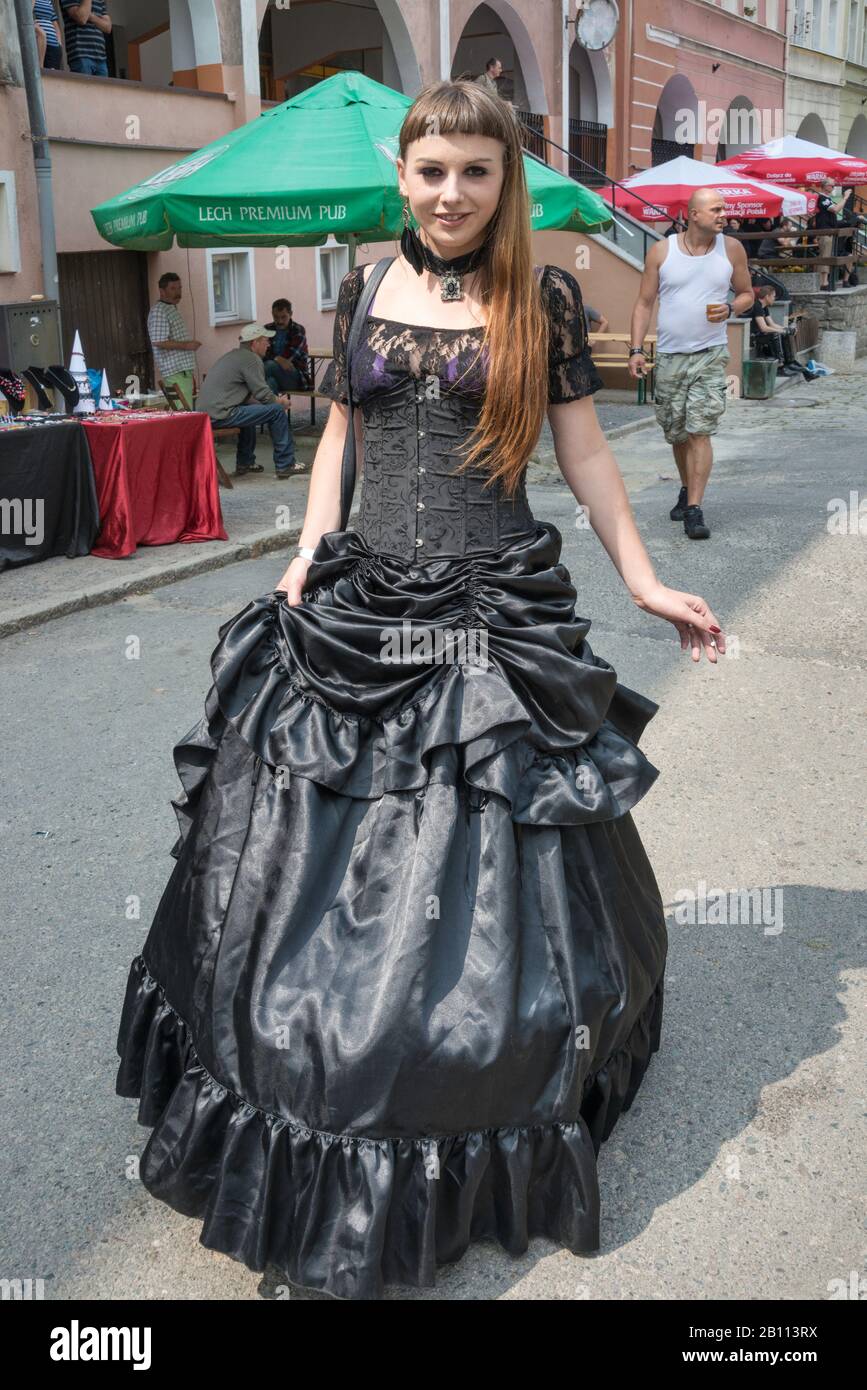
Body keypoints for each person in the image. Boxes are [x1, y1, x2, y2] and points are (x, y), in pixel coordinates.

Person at [115, 79, 724, 1303]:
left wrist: (648, 579)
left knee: (478, 876)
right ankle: (304, 1088)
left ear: (505, 184)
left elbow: (587, 452)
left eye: (475, 174)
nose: (450, 193)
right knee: (300, 857)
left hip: (489, 613)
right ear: (404, 175)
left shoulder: (540, 296)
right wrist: (300, 551)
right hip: (356, 603)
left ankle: (457, 1094)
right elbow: (339, 434)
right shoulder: (361, 286)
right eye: (431, 170)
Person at [629, 186, 755, 539]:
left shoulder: (731, 249)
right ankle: (687, 490)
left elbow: (748, 294)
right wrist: (636, 349)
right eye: (715, 209)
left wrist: (732, 307)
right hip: (670, 356)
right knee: (677, 432)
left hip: (710, 354)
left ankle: (695, 509)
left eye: (724, 209)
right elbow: (643, 303)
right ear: (693, 214)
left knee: (700, 430)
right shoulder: (661, 251)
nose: (723, 214)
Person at [194, 323, 297, 478]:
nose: (268, 344)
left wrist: (268, 402)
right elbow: (263, 394)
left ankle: (245, 462)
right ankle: (286, 464)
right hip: (220, 414)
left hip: (207, 414)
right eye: (265, 340)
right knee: (276, 412)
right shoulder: (251, 359)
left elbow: (248, 397)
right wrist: (280, 402)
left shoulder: (233, 356)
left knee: (250, 411)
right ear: (254, 343)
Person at [146, 273, 200, 409]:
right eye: (173, 288)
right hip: (175, 373)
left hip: (182, 372)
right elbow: (159, 341)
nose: (178, 292)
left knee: (186, 414)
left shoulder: (170, 308)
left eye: (179, 288)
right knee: (183, 416)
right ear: (162, 291)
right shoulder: (159, 311)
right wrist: (187, 345)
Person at [749, 286, 817, 381]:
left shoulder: (764, 307)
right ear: (767, 296)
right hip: (754, 337)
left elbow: (772, 324)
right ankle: (780, 365)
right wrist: (782, 331)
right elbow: (763, 328)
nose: (774, 298)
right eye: (773, 296)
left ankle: (790, 362)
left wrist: (786, 329)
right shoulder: (757, 306)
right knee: (776, 334)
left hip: (762, 334)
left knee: (783, 333)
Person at [263, 298, 312, 394]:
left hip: (295, 378)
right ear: (272, 314)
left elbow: (288, 359)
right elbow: (261, 354)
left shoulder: (298, 330)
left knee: (269, 365)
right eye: (276, 317)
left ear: (291, 314)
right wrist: (277, 358)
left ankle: (243, 386)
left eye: (283, 317)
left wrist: (273, 358)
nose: (279, 321)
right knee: (269, 383)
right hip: (273, 375)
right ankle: (276, 408)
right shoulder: (266, 329)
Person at [810, 178, 851, 290]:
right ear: (825, 186)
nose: (833, 187)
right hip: (825, 232)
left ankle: (824, 281)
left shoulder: (827, 198)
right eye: (832, 186)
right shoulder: (822, 198)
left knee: (827, 255)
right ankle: (824, 283)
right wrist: (845, 198)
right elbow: (836, 209)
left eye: (834, 186)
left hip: (829, 231)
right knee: (825, 256)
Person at [60, 0, 111, 76]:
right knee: (83, 87)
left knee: (102, 88)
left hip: (101, 57)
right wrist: (97, 19)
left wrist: (91, 16)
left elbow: (108, 27)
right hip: (81, 54)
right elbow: (82, 18)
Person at [34, 0, 64, 69]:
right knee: (44, 74)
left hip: (54, 47)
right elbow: (27, 15)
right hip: (40, 45)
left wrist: (59, 43)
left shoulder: (48, 1)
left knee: (54, 75)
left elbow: (55, 23)